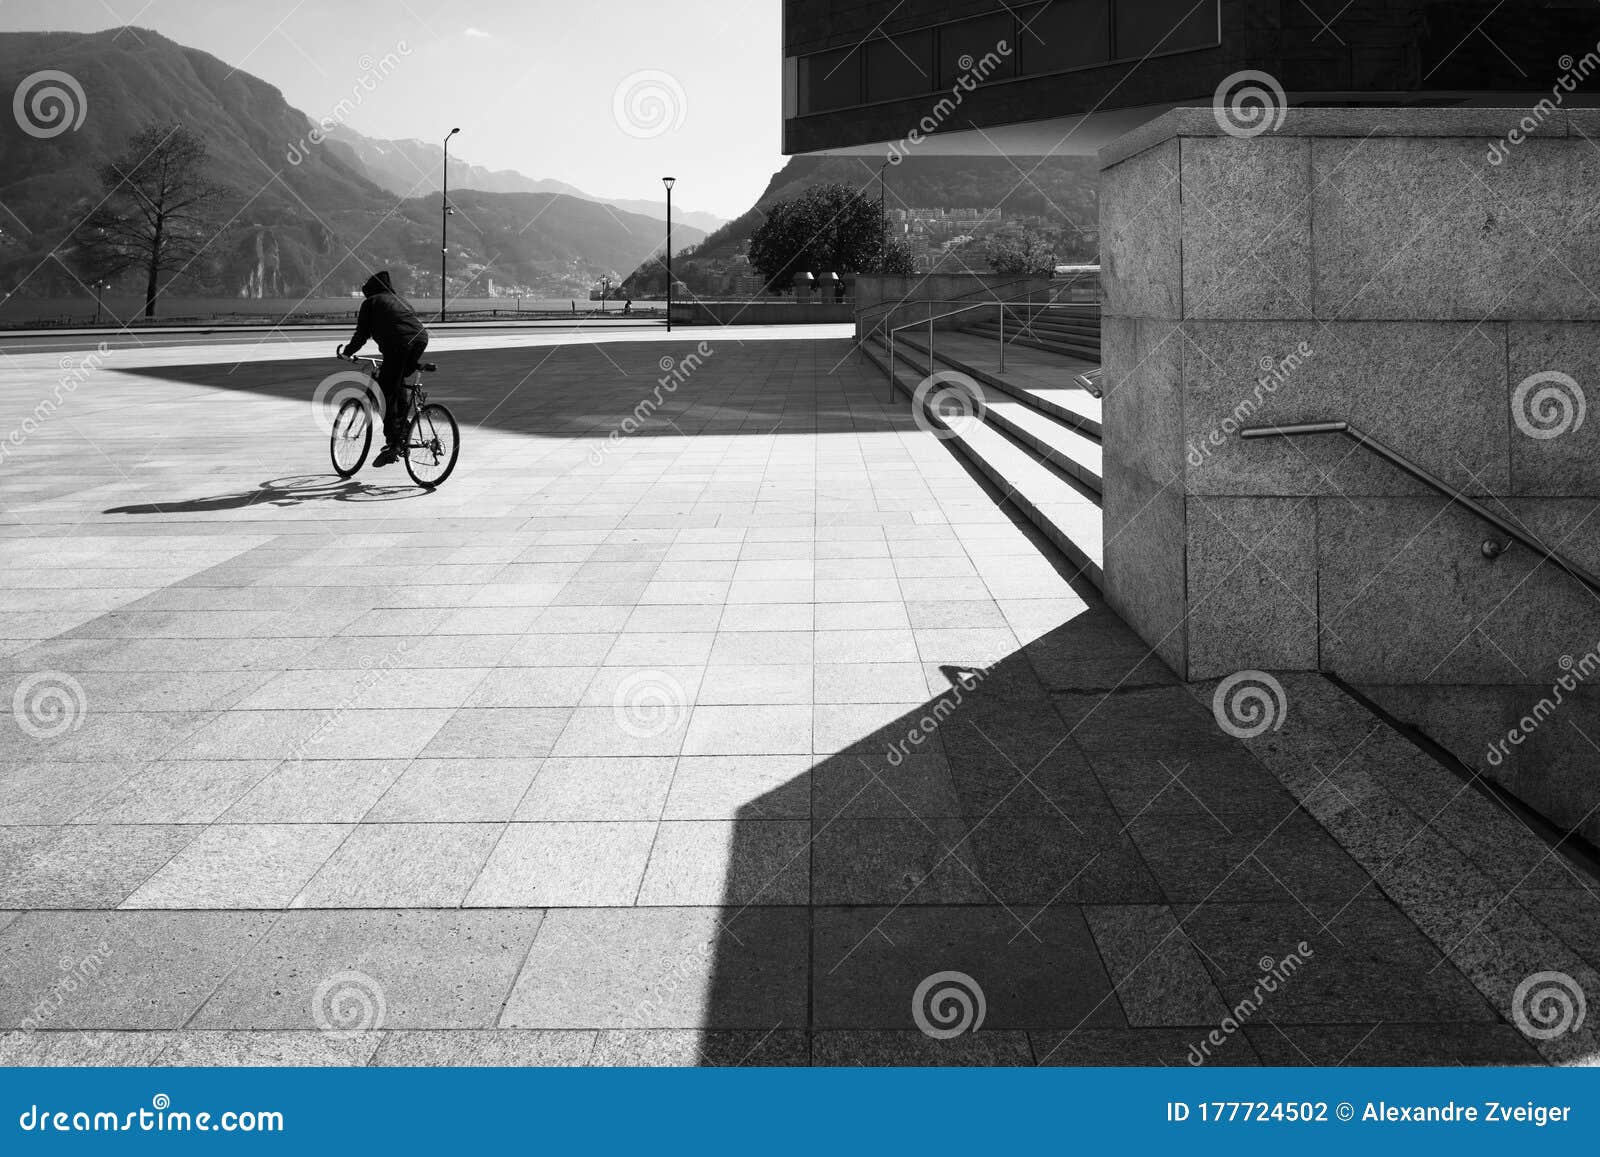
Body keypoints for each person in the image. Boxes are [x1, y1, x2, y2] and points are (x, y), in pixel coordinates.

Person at [340, 271, 428, 467]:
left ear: (370, 291)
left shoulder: (370, 303)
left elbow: (361, 334)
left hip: (398, 344)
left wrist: (347, 352)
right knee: (397, 383)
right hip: (420, 340)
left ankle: (393, 442)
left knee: (384, 393)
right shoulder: (401, 300)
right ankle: (404, 429)